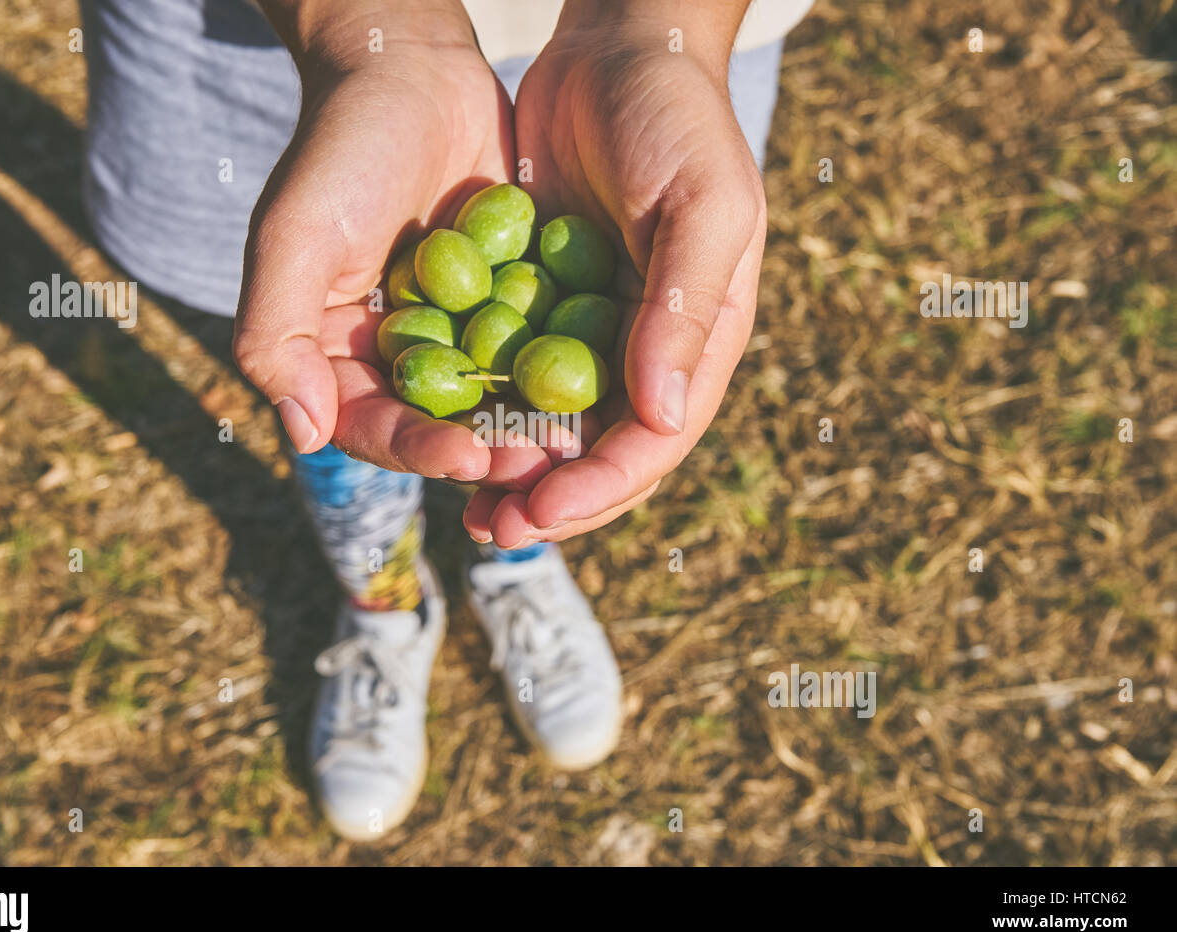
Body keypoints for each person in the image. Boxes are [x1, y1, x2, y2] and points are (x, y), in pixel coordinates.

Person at [78, 0, 811, 840]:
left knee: (520, 456)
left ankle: (516, 561)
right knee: (323, 361)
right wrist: (369, 32)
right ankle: (384, 600)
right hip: (252, 43)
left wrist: (646, 30)